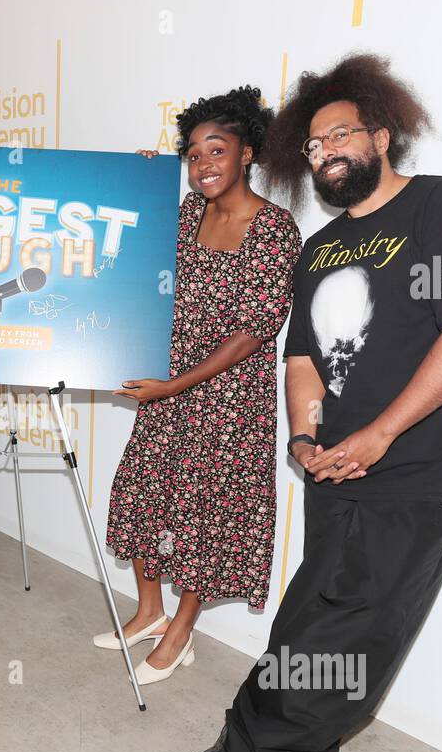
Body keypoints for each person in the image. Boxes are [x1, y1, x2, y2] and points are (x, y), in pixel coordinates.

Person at [184, 54, 442, 752]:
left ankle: (259, 749)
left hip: (422, 468)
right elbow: (301, 359)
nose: (326, 151)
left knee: (360, 628)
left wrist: (379, 433)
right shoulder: (321, 247)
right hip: (332, 464)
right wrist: (303, 433)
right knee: (313, 614)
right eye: (314, 144)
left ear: (382, 134)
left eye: (342, 134)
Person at [102, 87, 301, 685]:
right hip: (169, 382)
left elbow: (251, 333)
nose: (203, 164)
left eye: (217, 149)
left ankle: (182, 631)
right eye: (192, 153)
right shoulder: (187, 212)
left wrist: (173, 387)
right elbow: (132, 249)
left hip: (227, 397)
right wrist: (139, 179)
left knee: (202, 518)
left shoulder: (275, 230)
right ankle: (148, 610)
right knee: (142, 495)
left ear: (248, 153)